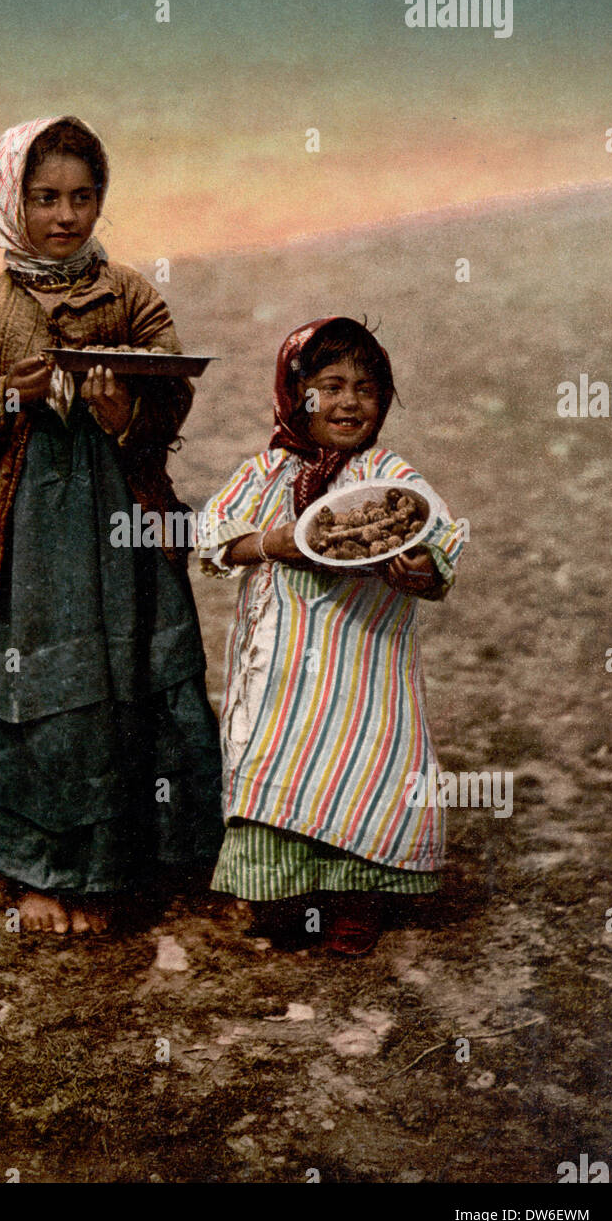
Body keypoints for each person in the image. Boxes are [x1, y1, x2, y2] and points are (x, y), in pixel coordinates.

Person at [0, 115, 222, 936]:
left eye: (82, 198)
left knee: (125, 686)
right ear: (11, 200)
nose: (65, 216)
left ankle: (126, 865)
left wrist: (128, 410)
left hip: (122, 529)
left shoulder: (127, 292)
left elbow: (174, 390)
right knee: (38, 692)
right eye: (45, 197)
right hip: (25, 540)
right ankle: (35, 870)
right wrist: (8, 397)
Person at [197, 316, 464, 955]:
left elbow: (443, 535)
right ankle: (282, 891)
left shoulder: (390, 477)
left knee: (365, 766)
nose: (349, 402)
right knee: (276, 762)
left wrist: (421, 567)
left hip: (365, 659)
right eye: (330, 386)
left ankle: (356, 899)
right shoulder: (268, 470)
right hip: (281, 661)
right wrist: (273, 541)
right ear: (296, 395)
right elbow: (212, 532)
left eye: (367, 389)